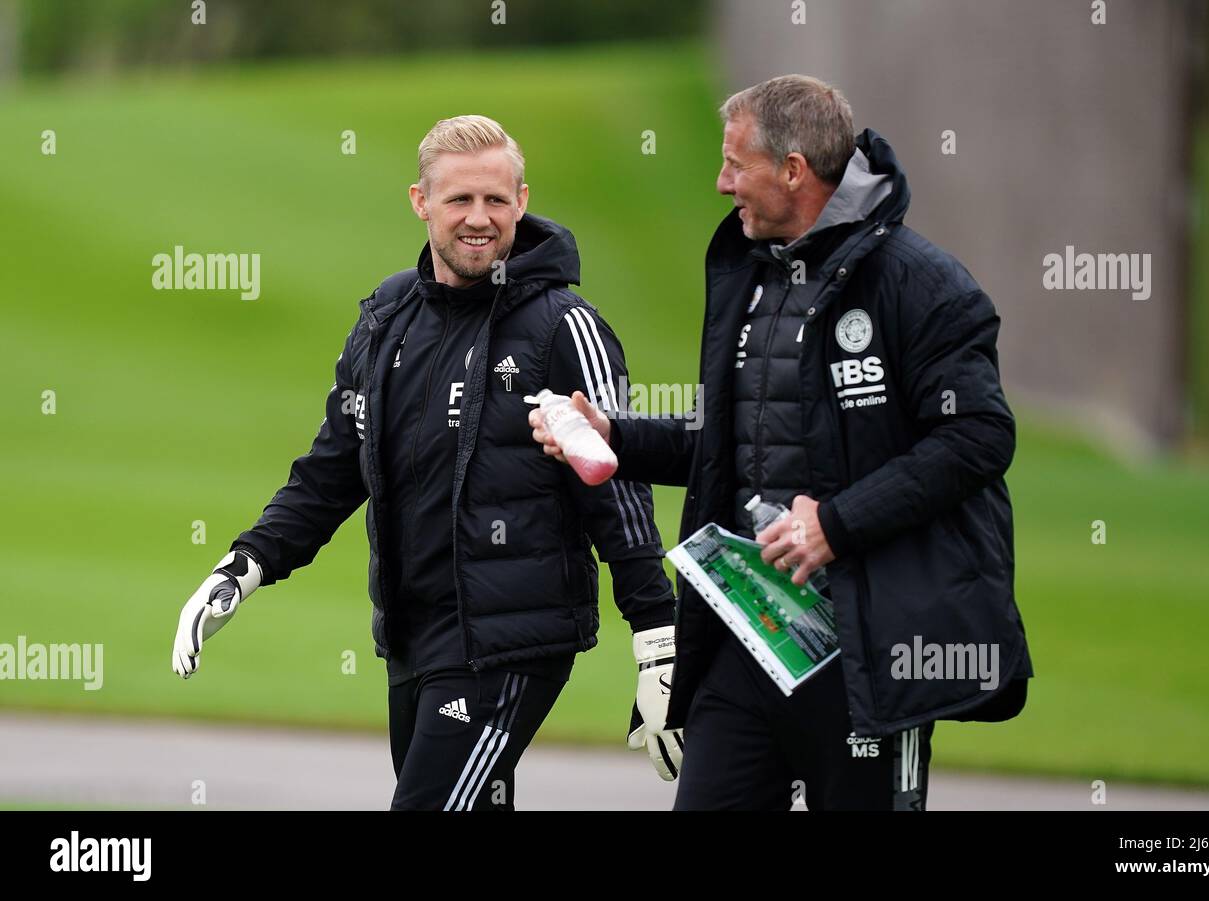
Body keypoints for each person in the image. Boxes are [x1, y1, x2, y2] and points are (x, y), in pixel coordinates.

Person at [531, 76, 1032, 811]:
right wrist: (616, 435)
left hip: (865, 649)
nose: (720, 182)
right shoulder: (749, 275)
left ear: (794, 170)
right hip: (747, 636)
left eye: (737, 164)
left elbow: (979, 436)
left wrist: (836, 524)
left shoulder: (923, 285)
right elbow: (730, 439)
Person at [171, 115, 682, 810]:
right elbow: (332, 467)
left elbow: (616, 487)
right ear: (421, 202)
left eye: (496, 201)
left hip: (508, 642)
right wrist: (247, 562)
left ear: (522, 202)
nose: (479, 219)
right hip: (415, 640)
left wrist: (657, 635)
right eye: (459, 201)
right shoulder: (386, 317)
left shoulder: (562, 325)